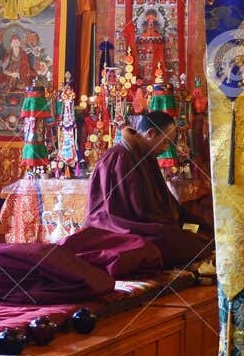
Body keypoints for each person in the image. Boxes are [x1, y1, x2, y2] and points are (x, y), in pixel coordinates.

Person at [86, 110, 211, 269]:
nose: (166, 148)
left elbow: (164, 202)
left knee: (202, 234)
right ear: (151, 133)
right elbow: (127, 215)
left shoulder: (145, 156)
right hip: (118, 231)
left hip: (147, 227)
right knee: (179, 244)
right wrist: (165, 227)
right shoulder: (119, 157)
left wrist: (183, 221)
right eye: (165, 142)